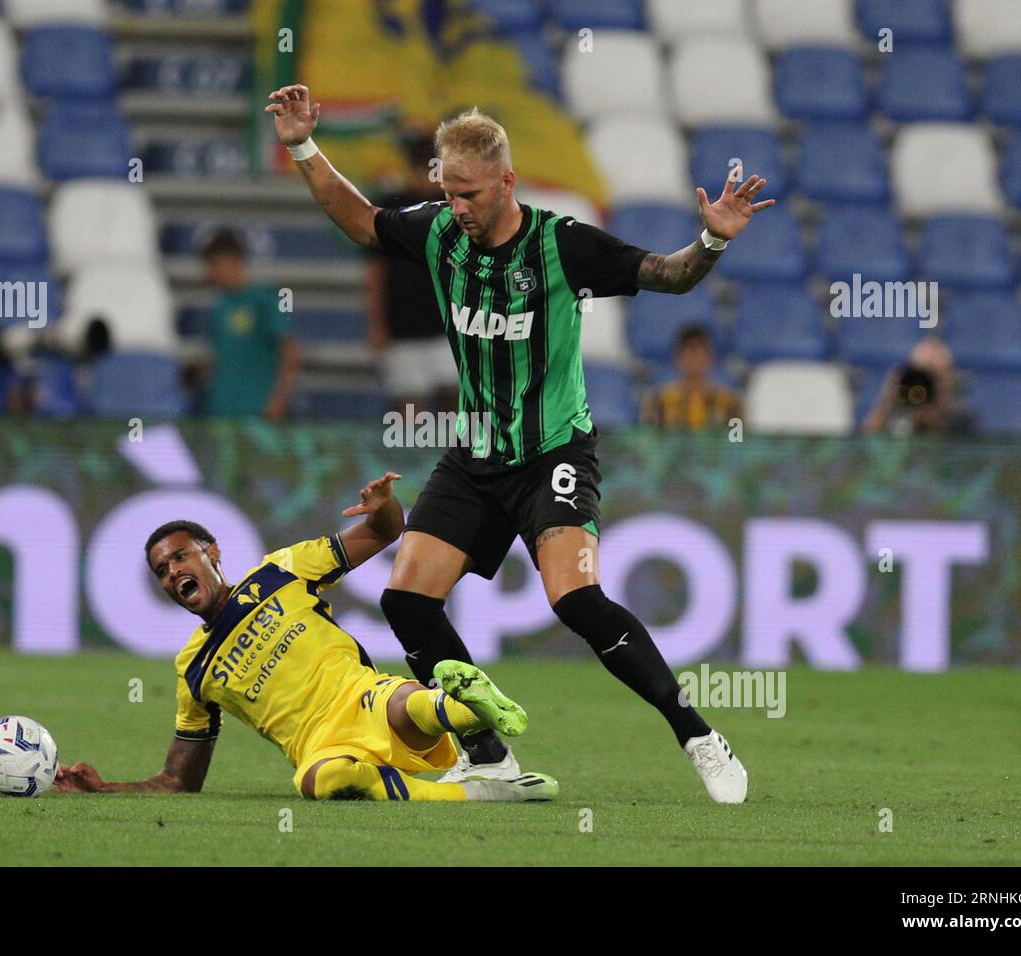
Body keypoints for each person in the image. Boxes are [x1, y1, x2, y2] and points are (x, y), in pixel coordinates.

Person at [266, 83, 774, 802]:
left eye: (471, 194)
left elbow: (668, 275)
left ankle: (698, 735)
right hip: (475, 454)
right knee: (406, 601)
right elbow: (361, 221)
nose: (458, 207)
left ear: (506, 182)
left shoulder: (562, 244)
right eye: (449, 191)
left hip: (553, 453)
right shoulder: (439, 232)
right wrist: (303, 146)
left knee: (576, 600)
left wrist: (712, 239)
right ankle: (488, 754)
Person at [52, 471, 558, 802]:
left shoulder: (280, 572)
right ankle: (480, 788)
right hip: (320, 746)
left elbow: (385, 532)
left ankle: (467, 704)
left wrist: (384, 506)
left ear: (212, 553)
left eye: (181, 556)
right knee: (320, 782)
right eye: (162, 571)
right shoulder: (194, 669)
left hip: (363, 698)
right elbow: (180, 780)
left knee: (411, 704)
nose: (173, 572)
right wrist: (103, 789)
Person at [365, 129, 459, 413]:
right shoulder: (391, 209)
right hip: (402, 327)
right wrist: (377, 324)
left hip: (449, 326)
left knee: (456, 402)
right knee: (408, 407)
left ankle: (458, 446)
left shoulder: (458, 210)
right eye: (419, 165)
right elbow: (377, 270)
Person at [199, 229, 299, 421]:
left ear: (234, 260)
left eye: (215, 264)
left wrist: (279, 401)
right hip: (221, 410)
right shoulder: (218, 305)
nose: (210, 273)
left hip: (257, 408)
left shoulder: (265, 299)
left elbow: (289, 351)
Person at [862, 335, 975, 436]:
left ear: (948, 378)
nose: (925, 385)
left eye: (934, 376)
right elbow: (867, 438)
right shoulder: (897, 414)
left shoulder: (963, 418)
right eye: (921, 376)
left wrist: (937, 414)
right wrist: (888, 397)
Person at [639, 324, 742, 430]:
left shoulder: (730, 402)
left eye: (700, 353)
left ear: (711, 358)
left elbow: (738, 438)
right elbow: (647, 437)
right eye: (690, 352)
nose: (695, 360)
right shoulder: (657, 400)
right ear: (677, 358)